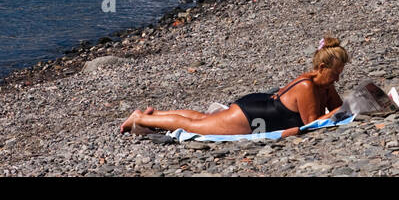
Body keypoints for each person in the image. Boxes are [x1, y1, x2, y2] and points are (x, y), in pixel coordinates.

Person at [121, 38, 349, 137]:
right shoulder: (308, 87)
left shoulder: (323, 84)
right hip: (252, 116)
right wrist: (339, 110)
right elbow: (314, 123)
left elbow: (339, 109)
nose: (337, 80)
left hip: (260, 108)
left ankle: (156, 114)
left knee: (201, 119)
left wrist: (340, 105)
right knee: (193, 126)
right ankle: (141, 119)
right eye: (335, 74)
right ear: (321, 66)